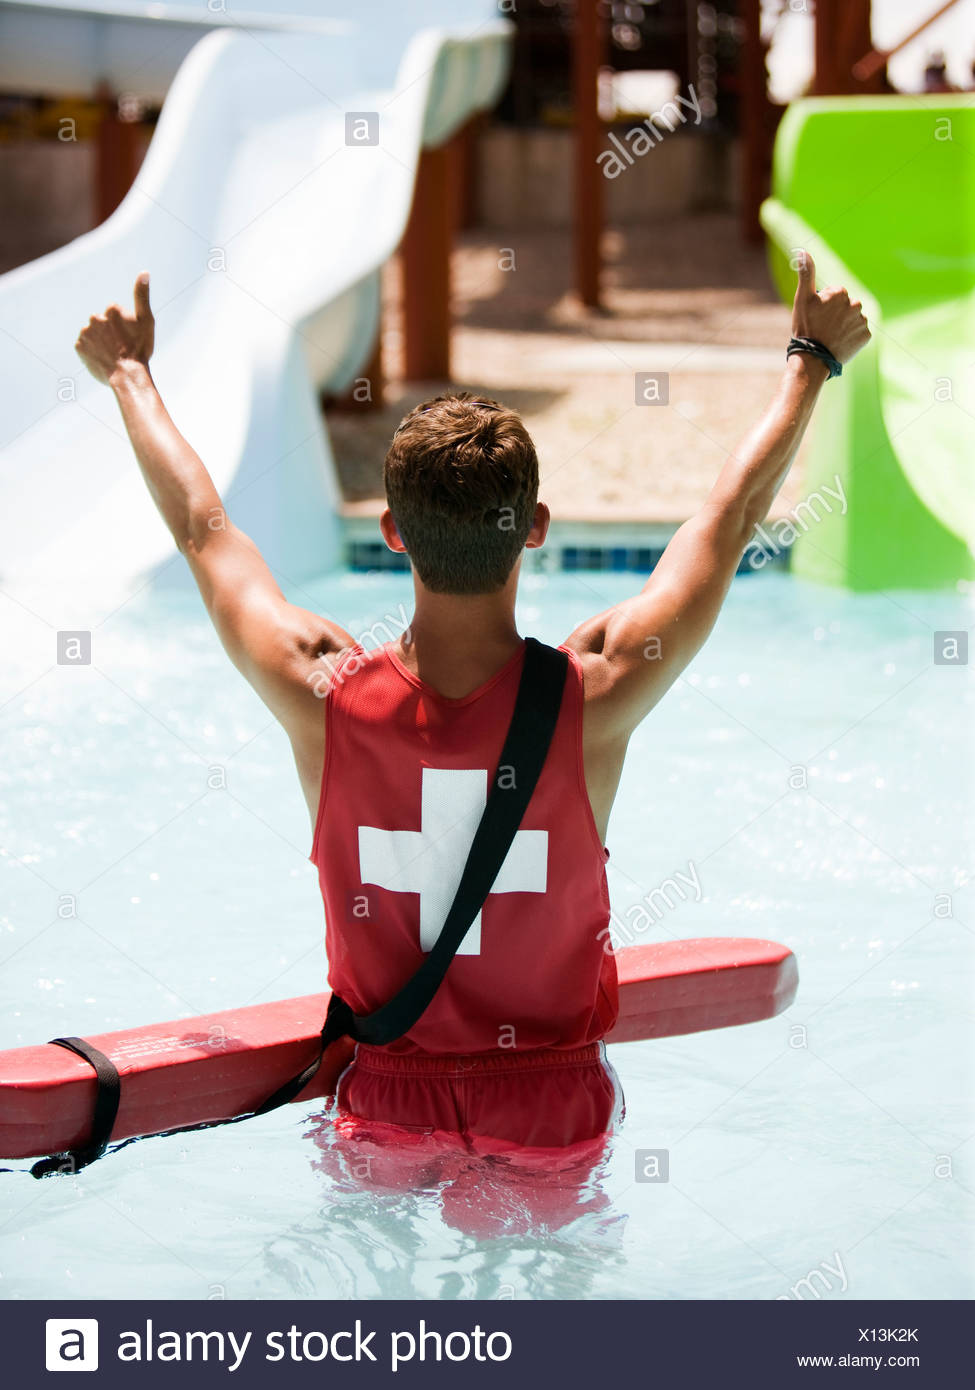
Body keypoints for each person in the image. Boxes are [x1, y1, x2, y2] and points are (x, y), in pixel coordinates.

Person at [74, 253, 870, 1153]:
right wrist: (809, 357)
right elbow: (725, 523)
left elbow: (201, 532)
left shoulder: (318, 690)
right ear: (533, 526)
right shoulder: (597, 692)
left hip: (382, 1106)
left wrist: (129, 374)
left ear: (389, 534)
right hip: (550, 1105)